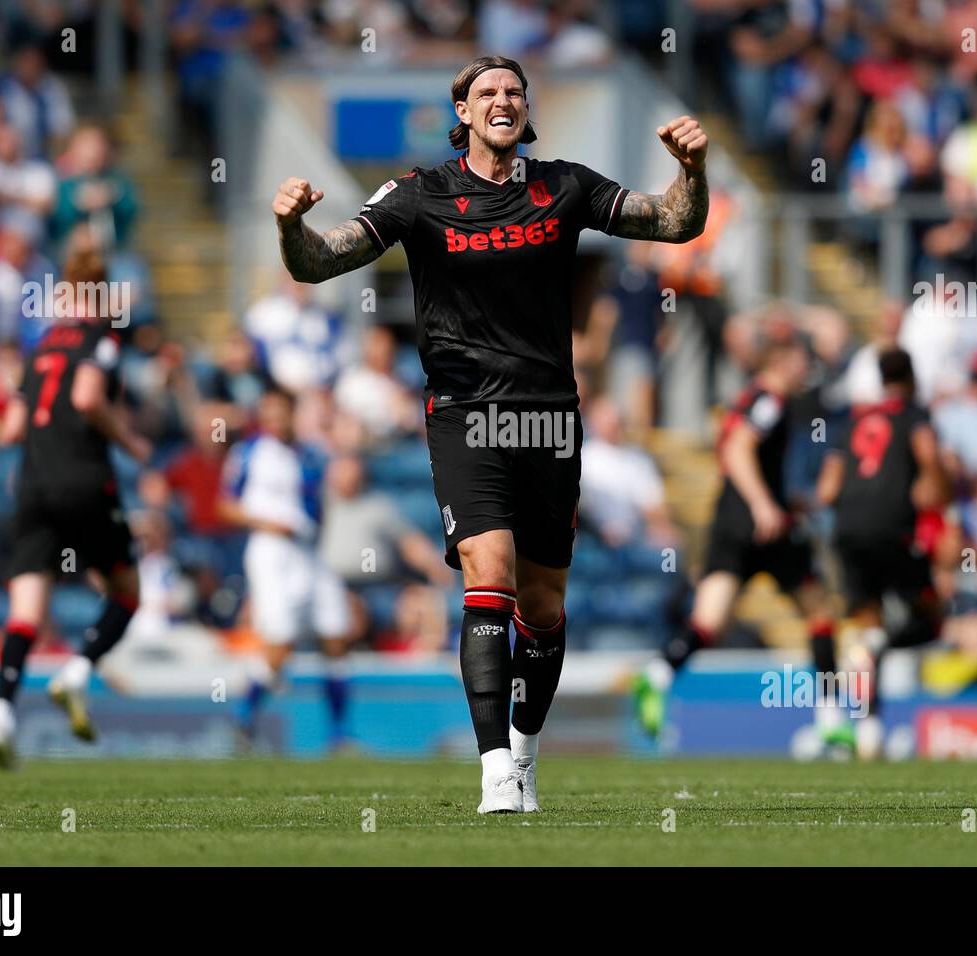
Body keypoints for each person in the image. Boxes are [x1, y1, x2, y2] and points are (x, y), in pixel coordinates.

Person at [272, 54, 708, 812]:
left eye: (514, 90)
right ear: (463, 113)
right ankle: (495, 768)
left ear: (524, 110)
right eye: (487, 93)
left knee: (541, 605)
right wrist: (289, 225)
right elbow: (318, 263)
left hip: (548, 417)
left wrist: (692, 170)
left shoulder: (564, 186)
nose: (502, 100)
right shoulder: (418, 194)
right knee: (489, 569)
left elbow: (674, 222)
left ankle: (529, 751)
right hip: (465, 413)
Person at [0, 248, 152, 769]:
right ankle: (77, 671)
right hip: (83, 482)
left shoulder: (36, 350)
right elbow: (85, 398)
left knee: (25, 612)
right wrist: (130, 441)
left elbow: (10, 429)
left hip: (32, 487)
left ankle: (0, 715)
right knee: (126, 592)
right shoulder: (100, 340)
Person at [633, 338, 830, 739]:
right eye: (802, 361)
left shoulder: (752, 396)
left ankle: (658, 674)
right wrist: (763, 504)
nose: (806, 371)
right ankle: (832, 719)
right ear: (784, 359)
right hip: (761, 527)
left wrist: (782, 499)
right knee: (820, 612)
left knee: (708, 621)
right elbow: (738, 449)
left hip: (730, 521)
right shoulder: (771, 399)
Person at [815, 348, 948, 757]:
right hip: (893, 529)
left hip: (848, 532)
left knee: (867, 626)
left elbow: (827, 490)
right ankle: (877, 654)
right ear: (911, 379)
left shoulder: (853, 420)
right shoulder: (914, 415)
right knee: (933, 617)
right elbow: (927, 456)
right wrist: (936, 489)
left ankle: (870, 729)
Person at [218, 387, 353, 747]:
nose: (274, 419)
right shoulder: (248, 453)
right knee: (281, 640)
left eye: (280, 412)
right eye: (268, 413)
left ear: (292, 413)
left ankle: (339, 735)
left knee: (337, 634)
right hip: (272, 551)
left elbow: (334, 488)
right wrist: (268, 523)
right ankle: (243, 716)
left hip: (311, 550)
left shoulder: (312, 452)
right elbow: (225, 506)